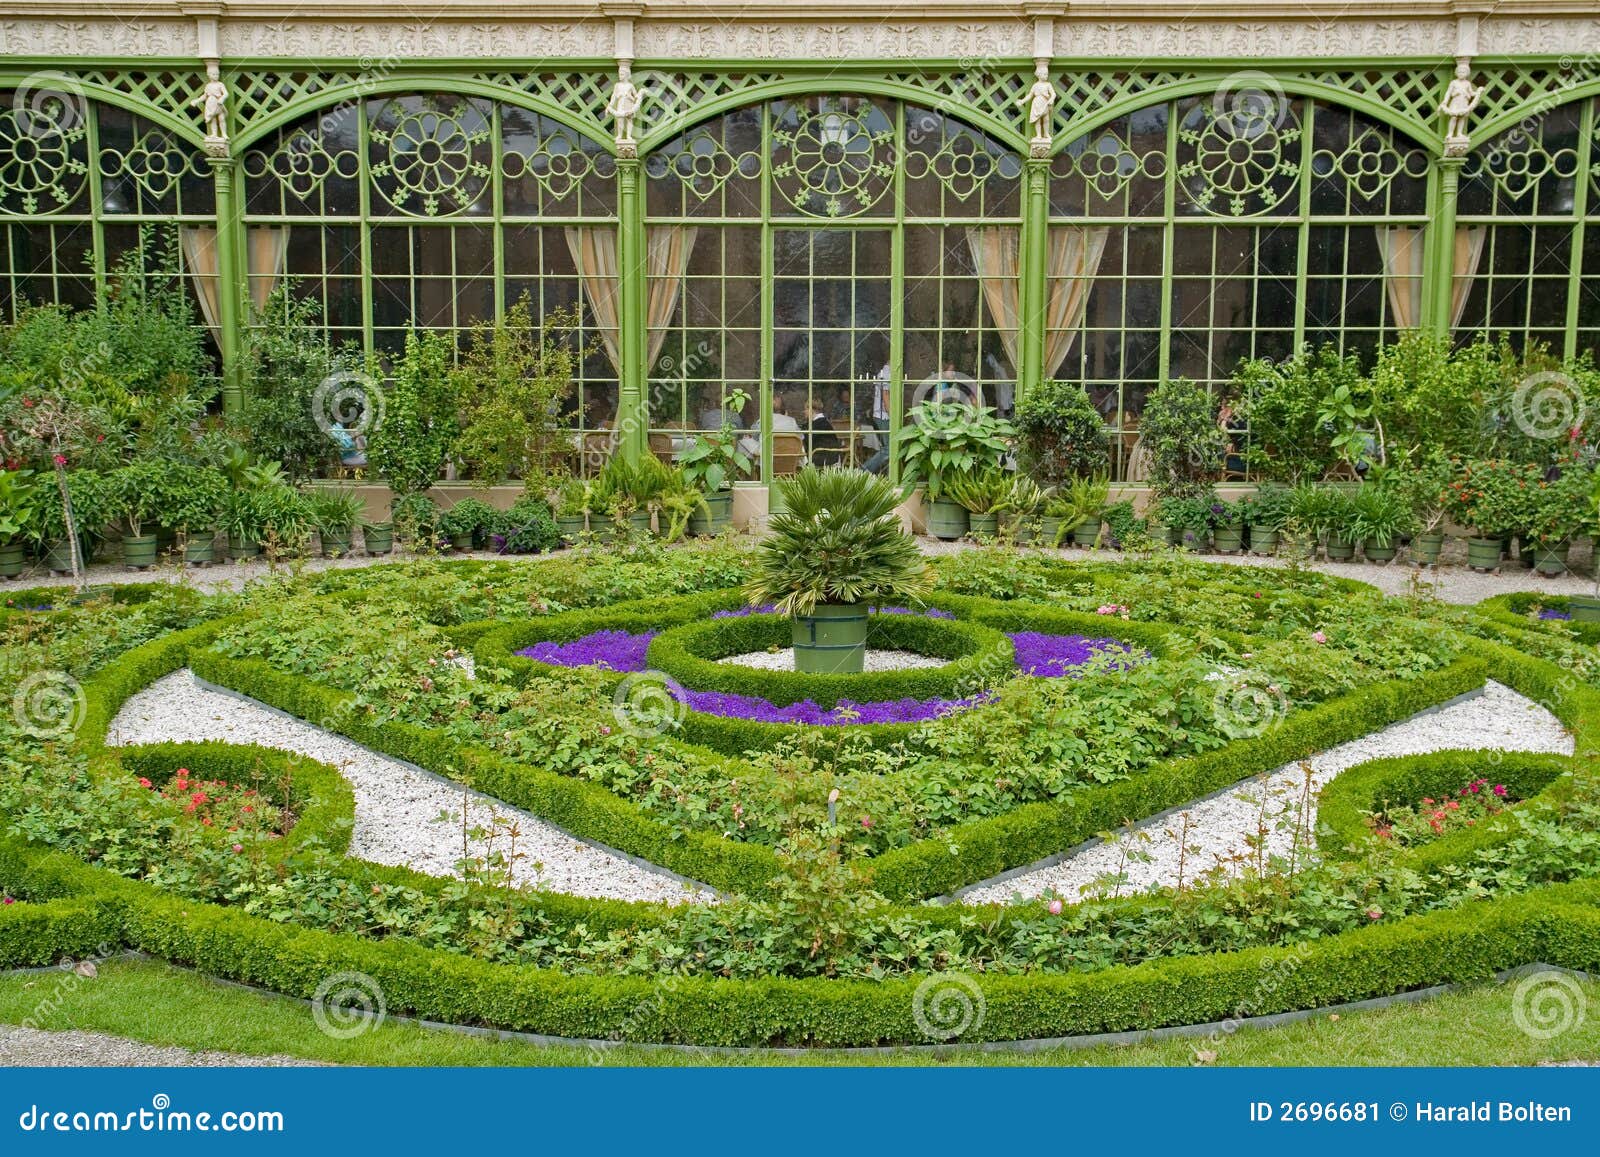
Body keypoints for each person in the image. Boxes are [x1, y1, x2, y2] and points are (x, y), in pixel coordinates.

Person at [805, 398, 843, 466]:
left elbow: (807, 441)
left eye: (806, 409)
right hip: (830, 456)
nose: (804, 411)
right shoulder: (823, 422)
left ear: (811, 410)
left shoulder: (818, 424)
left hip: (824, 458)